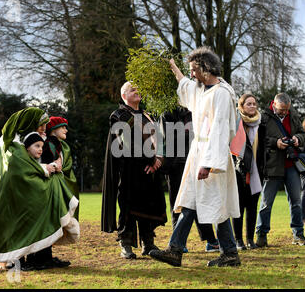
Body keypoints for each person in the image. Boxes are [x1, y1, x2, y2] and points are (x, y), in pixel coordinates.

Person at [149, 46, 240, 267]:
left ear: (205, 68)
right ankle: (179, 250)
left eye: (193, 69)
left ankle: (225, 253)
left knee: (213, 204)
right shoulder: (203, 89)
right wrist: (172, 67)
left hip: (211, 155)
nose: (191, 73)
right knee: (190, 201)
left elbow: (219, 130)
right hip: (198, 153)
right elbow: (186, 86)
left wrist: (208, 164)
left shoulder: (220, 93)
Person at [0, 107, 79, 269]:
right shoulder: (13, 143)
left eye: (45, 124)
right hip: (12, 192)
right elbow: (19, 166)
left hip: (25, 189)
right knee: (23, 221)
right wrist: (46, 169)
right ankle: (20, 260)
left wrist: (53, 164)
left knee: (42, 212)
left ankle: (42, 257)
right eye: (40, 124)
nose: (43, 128)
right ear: (29, 124)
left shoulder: (27, 139)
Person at [101, 81, 167, 259]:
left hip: (149, 171)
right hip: (128, 170)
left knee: (149, 206)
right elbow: (127, 140)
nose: (137, 91)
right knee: (128, 209)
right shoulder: (119, 115)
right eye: (132, 89)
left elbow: (158, 139)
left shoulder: (147, 115)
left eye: (139, 88)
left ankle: (149, 243)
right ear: (124, 96)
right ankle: (126, 245)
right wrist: (149, 158)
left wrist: (158, 160)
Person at [159, 107, 220, 253]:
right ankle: (179, 243)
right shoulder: (167, 114)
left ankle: (210, 240)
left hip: (196, 163)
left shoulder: (197, 111)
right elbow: (169, 138)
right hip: (176, 165)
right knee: (178, 202)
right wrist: (192, 135)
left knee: (200, 201)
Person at [255, 93, 305, 247]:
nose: (284, 113)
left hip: (291, 165)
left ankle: (298, 235)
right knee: (266, 202)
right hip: (273, 166)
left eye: (286, 110)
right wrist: (276, 143)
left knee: (296, 202)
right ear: (274, 105)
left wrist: (297, 139)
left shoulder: (293, 115)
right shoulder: (264, 117)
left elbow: (303, 134)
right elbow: (259, 140)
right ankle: (261, 235)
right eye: (281, 110)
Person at [24, 116, 76, 270]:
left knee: (48, 222)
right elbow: (37, 163)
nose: (66, 130)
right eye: (63, 127)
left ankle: (45, 258)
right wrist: (51, 165)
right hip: (39, 188)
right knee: (41, 223)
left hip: (46, 187)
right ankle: (36, 259)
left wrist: (57, 163)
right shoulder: (39, 141)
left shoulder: (51, 142)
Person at [231, 93, 263, 250]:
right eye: (248, 104)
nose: (252, 106)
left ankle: (250, 239)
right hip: (239, 170)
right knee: (239, 206)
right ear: (241, 106)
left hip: (256, 170)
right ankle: (238, 240)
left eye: (254, 103)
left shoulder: (260, 123)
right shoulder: (236, 122)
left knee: (252, 206)